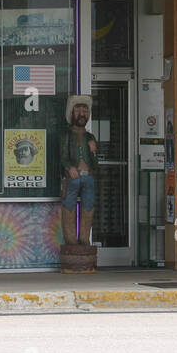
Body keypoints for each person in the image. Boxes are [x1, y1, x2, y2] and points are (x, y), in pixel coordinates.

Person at [60, 94, 97, 246]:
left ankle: (84, 238)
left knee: (88, 208)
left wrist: (93, 152)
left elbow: (95, 161)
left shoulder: (90, 136)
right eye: (78, 110)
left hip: (88, 177)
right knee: (69, 208)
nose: (82, 114)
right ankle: (70, 240)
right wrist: (69, 168)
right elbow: (63, 156)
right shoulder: (66, 135)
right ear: (72, 113)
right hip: (72, 178)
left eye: (85, 111)